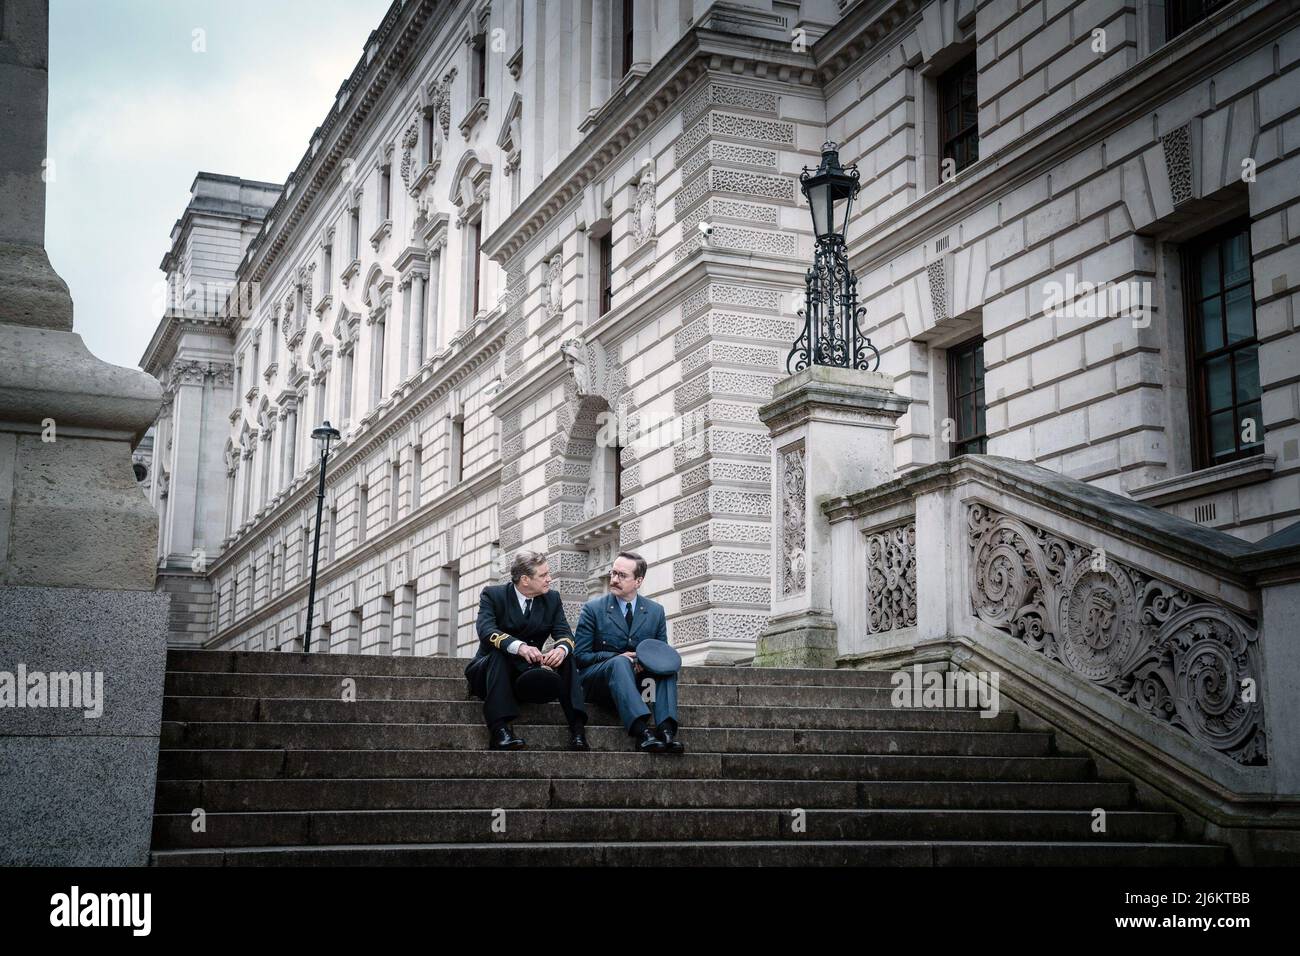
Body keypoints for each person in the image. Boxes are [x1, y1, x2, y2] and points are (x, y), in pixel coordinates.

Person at [465, 550, 588, 751]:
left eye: (548, 573)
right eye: (543, 575)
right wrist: (519, 647)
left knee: (567, 658)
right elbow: (486, 630)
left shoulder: (552, 599)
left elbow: (564, 633)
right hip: (488, 672)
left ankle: (577, 729)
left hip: (527, 674)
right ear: (524, 580)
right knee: (500, 652)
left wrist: (561, 649)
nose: (549, 579)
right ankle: (499, 730)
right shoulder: (493, 595)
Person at [573, 551, 684, 754]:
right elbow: (580, 656)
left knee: (667, 669)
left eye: (622, 575)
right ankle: (641, 732)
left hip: (638, 682)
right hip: (598, 683)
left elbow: (661, 654)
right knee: (619, 663)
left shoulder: (655, 611)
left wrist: (647, 662)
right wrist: (616, 657)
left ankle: (666, 730)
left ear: (638, 581)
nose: (614, 579)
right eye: (613, 573)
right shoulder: (593, 609)